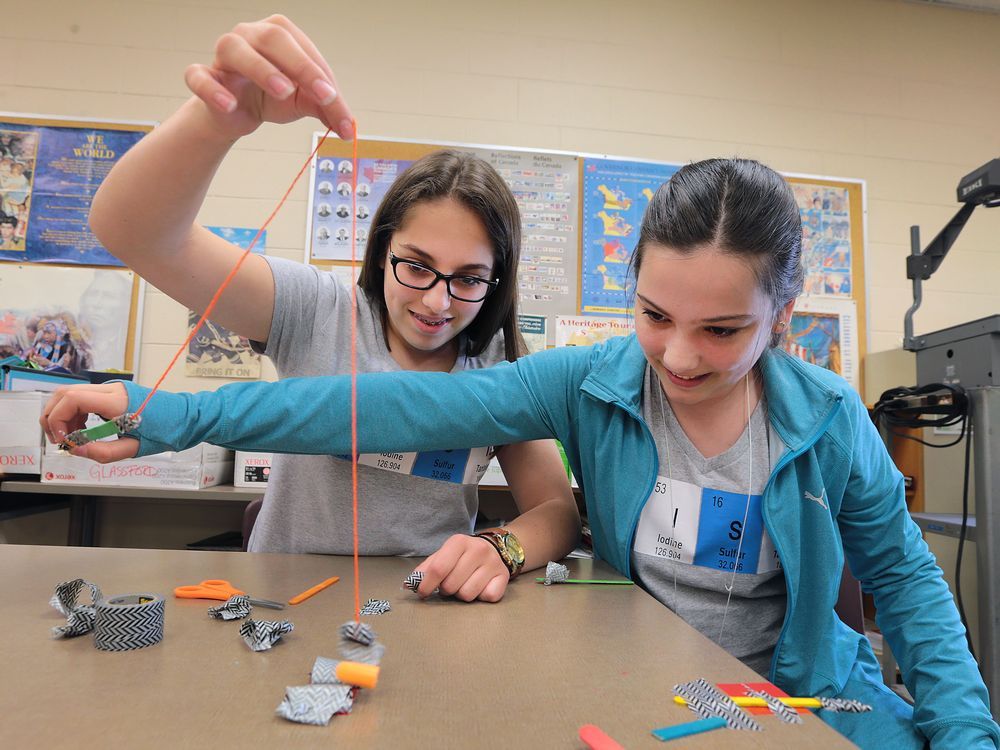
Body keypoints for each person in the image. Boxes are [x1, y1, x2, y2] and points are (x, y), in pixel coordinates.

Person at [47, 157, 998, 749]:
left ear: (782, 314)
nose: (676, 356)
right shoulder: (584, 382)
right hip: (650, 685)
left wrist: (965, 735)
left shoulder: (830, 417)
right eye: (654, 315)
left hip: (797, 695)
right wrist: (169, 415)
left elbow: (909, 585)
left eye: (721, 331)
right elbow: (380, 405)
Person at [82, 15, 578, 604]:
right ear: (382, 250)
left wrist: (502, 547)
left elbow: (556, 510)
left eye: (468, 279)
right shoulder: (316, 309)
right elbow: (131, 230)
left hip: (426, 605)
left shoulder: (499, 364)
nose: (436, 301)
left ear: (496, 283)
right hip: (280, 600)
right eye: (416, 266)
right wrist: (215, 121)